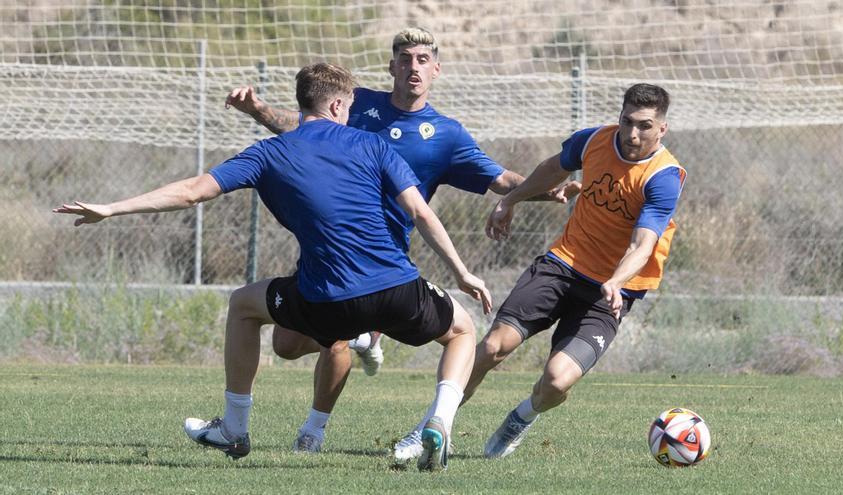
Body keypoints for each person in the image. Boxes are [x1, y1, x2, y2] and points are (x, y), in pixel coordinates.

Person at [54, 62, 491, 472]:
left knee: (244, 305)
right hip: (396, 287)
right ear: (338, 105)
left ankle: (234, 427)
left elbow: (191, 192)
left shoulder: (267, 153)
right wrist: (461, 273)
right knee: (462, 330)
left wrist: (111, 209)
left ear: (303, 104)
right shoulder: (373, 144)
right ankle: (438, 421)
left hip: (327, 302)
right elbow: (420, 213)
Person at [225, 27, 573, 460]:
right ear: (392, 67)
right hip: (330, 246)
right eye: (405, 58)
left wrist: (540, 190)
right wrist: (257, 108)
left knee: (340, 330)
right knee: (286, 345)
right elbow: (300, 128)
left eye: (423, 59)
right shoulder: (356, 106)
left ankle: (314, 429)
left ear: (436, 70)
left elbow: (500, 179)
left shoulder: (445, 135)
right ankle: (362, 340)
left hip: (384, 260)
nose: (414, 67)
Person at [465, 83, 687, 458]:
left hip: (613, 291)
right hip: (563, 264)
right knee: (491, 346)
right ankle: (434, 424)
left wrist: (616, 282)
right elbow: (553, 167)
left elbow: (642, 245)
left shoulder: (664, 177)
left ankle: (520, 419)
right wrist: (511, 199)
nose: (633, 134)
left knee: (556, 381)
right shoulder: (593, 141)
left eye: (645, 126)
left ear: (662, 129)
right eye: (627, 122)